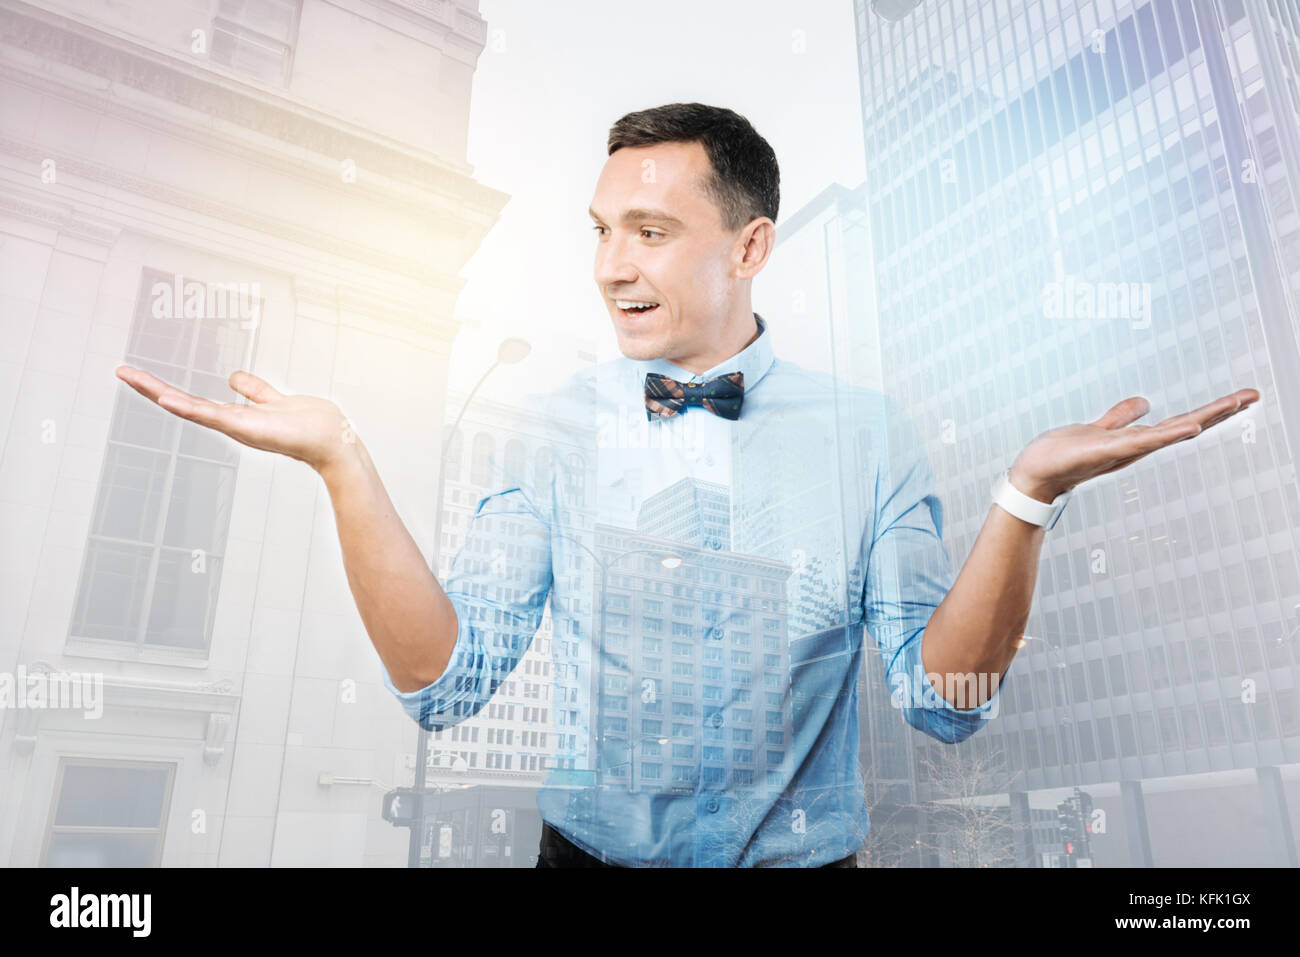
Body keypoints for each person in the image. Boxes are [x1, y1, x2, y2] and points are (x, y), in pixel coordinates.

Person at [115, 102, 1258, 868]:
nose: (613, 265)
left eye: (651, 231)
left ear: (749, 248)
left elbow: (942, 704)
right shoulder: (554, 427)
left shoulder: (865, 434)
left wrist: (1024, 501)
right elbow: (446, 687)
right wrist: (342, 464)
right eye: (604, 231)